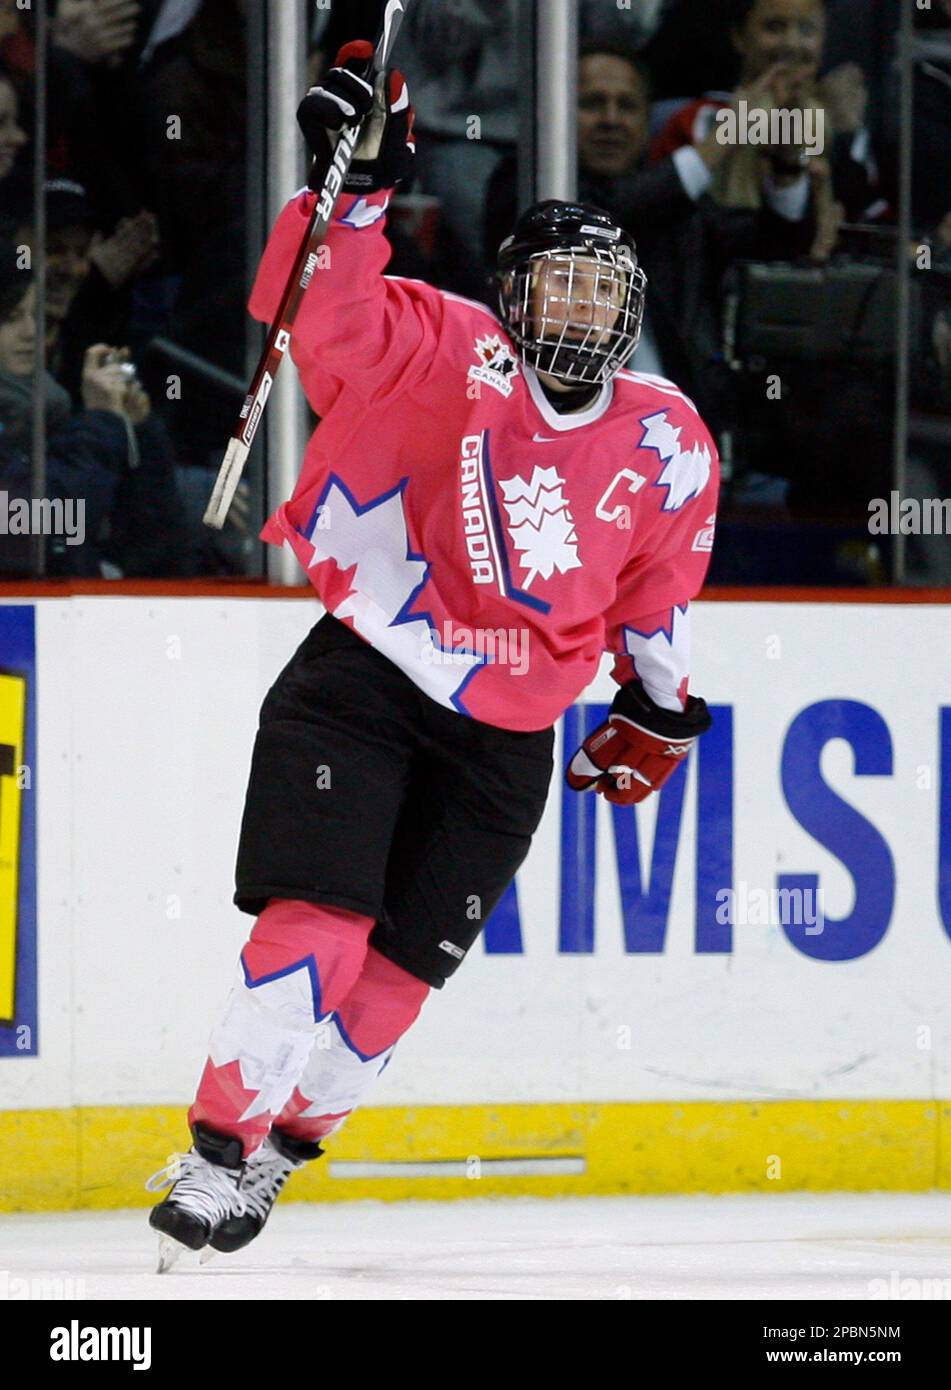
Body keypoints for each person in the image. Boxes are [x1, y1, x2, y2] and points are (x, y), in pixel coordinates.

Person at [145, 44, 719, 1263]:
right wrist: (359, 187)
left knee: (397, 981)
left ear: (628, 311)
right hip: (363, 676)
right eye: (557, 287)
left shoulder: (667, 439)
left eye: (599, 293)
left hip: (510, 735)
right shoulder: (442, 341)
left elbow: (660, 589)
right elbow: (311, 308)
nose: (579, 311)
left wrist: (662, 707)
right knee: (321, 926)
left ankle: (279, 1162)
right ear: (513, 295)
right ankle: (210, 1153)